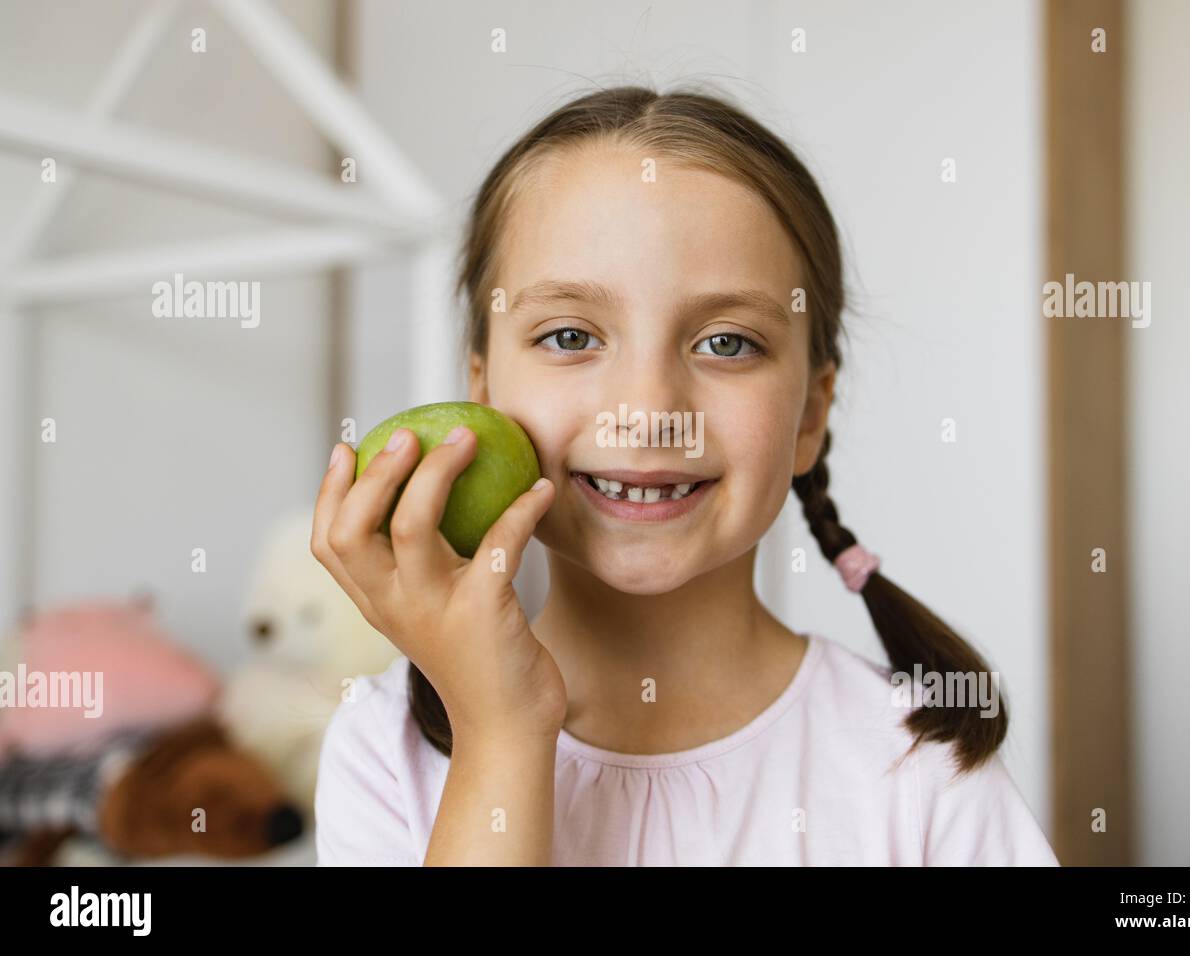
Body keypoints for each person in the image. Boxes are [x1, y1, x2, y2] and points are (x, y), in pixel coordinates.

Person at [310, 85, 1059, 866]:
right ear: (484, 392)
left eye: (727, 343)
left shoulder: (923, 771)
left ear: (810, 413)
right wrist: (501, 732)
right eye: (571, 334)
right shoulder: (384, 747)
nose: (648, 409)